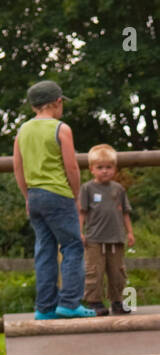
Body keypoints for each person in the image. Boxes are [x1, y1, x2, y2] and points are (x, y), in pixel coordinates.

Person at [12, 80, 95, 319]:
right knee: (72, 246)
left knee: (45, 250)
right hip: (58, 194)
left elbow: (18, 167)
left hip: (35, 195)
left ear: (33, 106)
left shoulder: (22, 131)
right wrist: (76, 196)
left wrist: (28, 196)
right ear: (57, 102)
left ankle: (45, 308)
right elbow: (72, 168)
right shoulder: (61, 129)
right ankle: (69, 302)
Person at [78, 146, 135, 316]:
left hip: (116, 238)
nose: (105, 171)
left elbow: (125, 213)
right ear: (92, 169)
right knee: (94, 271)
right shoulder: (87, 189)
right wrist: (79, 232)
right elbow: (82, 212)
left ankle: (117, 301)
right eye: (100, 168)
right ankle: (94, 302)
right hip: (95, 238)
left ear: (115, 169)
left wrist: (130, 232)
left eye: (108, 167)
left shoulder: (118, 189)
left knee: (117, 271)